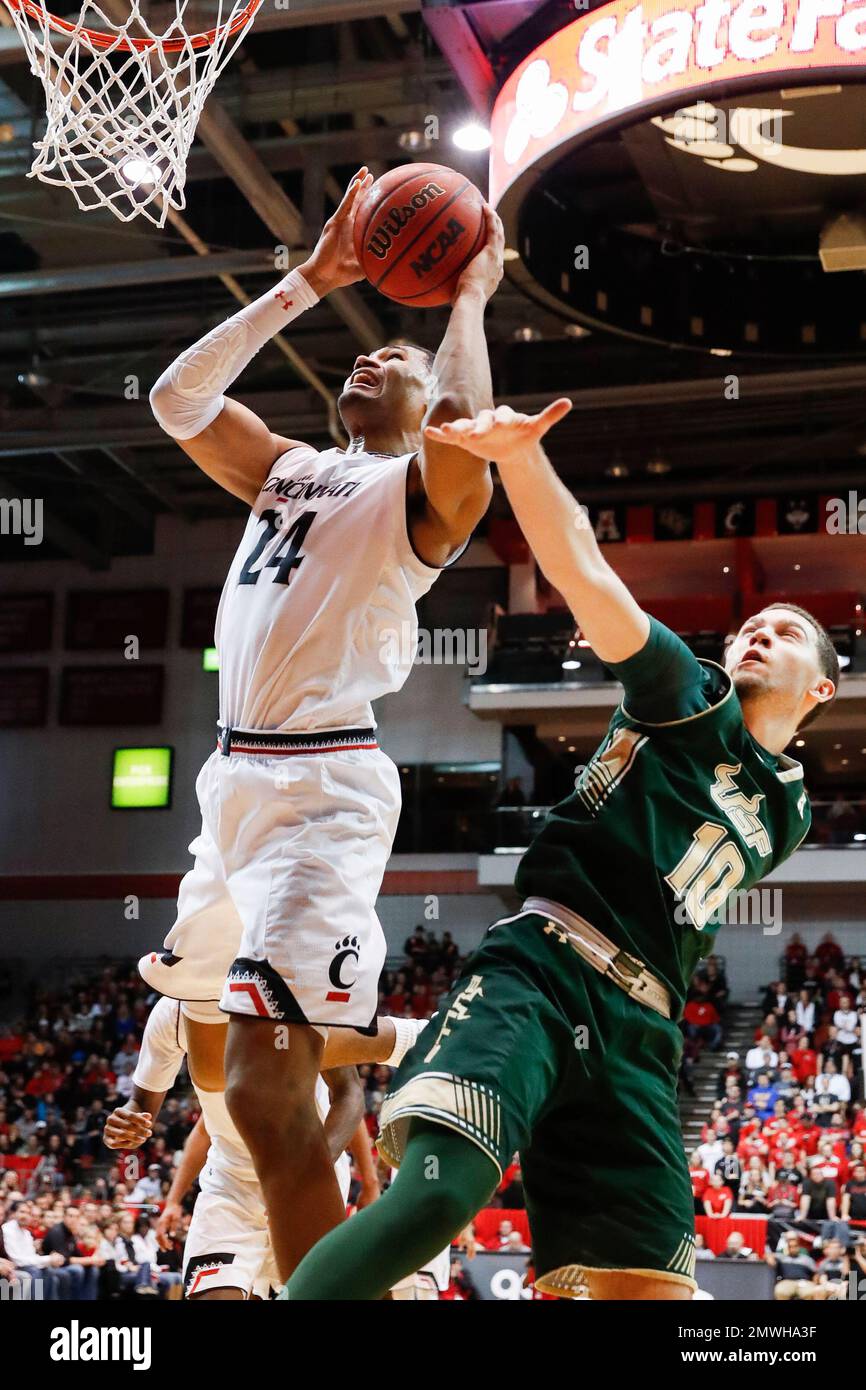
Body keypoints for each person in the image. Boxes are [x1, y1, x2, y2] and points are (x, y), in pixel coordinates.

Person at [285, 398, 837, 1300]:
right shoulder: (686, 697)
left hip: (642, 1032)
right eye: (748, 628)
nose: (753, 635)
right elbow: (586, 573)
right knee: (438, 1199)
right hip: (543, 968)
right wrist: (521, 460)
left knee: (649, 1292)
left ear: (820, 685)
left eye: (780, 633)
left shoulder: (792, 809)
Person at [139, 166, 504, 1281]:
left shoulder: (420, 499)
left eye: (392, 359)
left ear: (419, 399)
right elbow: (176, 402)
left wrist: (466, 305)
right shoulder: (289, 470)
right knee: (230, 1079)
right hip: (230, 792)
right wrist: (306, 281)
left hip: (319, 797)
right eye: (363, 348)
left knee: (261, 1085)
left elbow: (463, 431)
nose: (369, 355)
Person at [104, 995, 427, 1299]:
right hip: (230, 1180)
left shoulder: (296, 996)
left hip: (306, 1170)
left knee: (320, 1290)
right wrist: (126, 1125)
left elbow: (348, 1095)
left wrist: (316, 1179)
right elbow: (151, 1108)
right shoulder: (174, 1010)